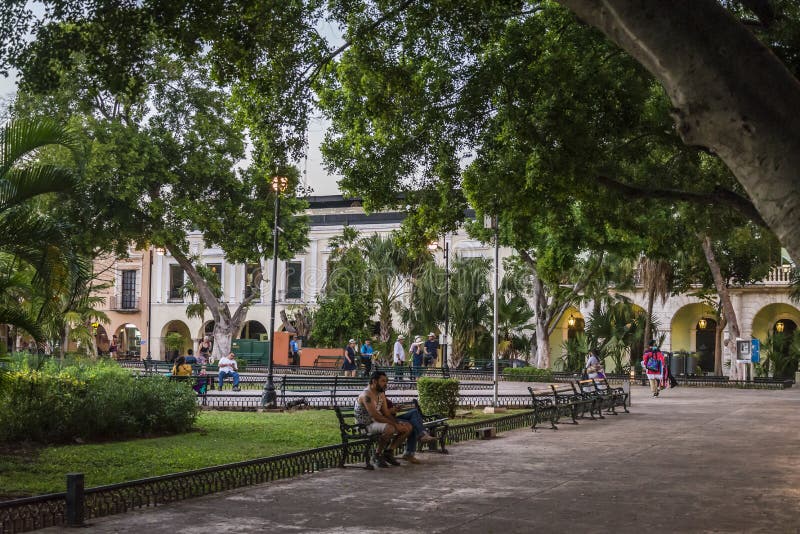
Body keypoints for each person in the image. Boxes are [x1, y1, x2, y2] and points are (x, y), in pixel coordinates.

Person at [354, 371, 413, 467]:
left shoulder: (380, 394)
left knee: (408, 427)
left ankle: (388, 452)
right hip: (365, 425)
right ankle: (377, 455)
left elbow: (386, 413)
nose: (385, 384)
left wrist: (397, 423)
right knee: (390, 428)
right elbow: (375, 416)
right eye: (383, 381)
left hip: (375, 423)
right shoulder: (366, 395)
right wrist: (395, 425)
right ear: (374, 381)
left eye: (386, 381)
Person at [386, 398, 439, 463]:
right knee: (413, 423)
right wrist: (393, 410)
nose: (385, 387)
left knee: (414, 412)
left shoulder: (382, 395)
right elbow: (383, 413)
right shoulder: (377, 396)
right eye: (385, 387)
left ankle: (422, 435)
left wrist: (396, 409)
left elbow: (390, 411)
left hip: (393, 417)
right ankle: (409, 453)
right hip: (388, 420)